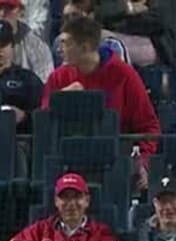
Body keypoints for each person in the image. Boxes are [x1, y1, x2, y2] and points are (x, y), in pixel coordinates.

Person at [44, 16, 161, 182]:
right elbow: (44, 122)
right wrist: (61, 99)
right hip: (67, 158)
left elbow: (149, 126)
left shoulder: (124, 75)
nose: (59, 49)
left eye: (66, 43)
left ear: (84, 48)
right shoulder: (58, 77)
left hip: (114, 160)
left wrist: (143, 162)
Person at [0, 172, 121, 241]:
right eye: (65, 198)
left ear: (87, 201)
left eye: (77, 197)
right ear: (56, 201)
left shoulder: (101, 234)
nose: (71, 204)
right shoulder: (39, 231)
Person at [0, 19, 44, 134]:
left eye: (4, 44)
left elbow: (42, 117)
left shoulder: (28, 80)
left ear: (12, 46)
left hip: (17, 142)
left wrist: (25, 117)